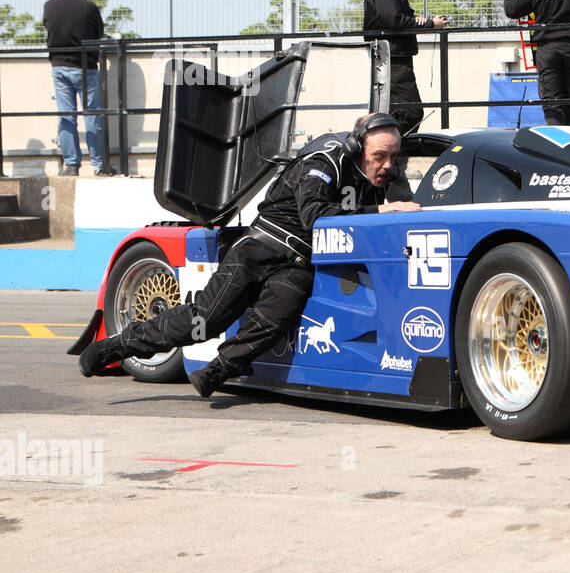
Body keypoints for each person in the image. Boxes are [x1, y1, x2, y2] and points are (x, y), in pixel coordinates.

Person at [76, 114, 422, 396]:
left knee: (277, 315)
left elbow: (406, 208)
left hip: (299, 262)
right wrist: (381, 210)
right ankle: (112, 348)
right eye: (380, 156)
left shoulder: (382, 174)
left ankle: (218, 371)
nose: (388, 165)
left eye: (394, 156)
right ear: (358, 147)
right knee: (206, 321)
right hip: (261, 246)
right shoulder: (324, 161)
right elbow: (315, 217)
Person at [363, 0, 449, 135]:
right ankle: (395, 153)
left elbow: (402, 18)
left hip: (395, 56)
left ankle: (393, 155)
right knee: (411, 112)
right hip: (390, 58)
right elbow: (394, 20)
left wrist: (420, 21)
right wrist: (429, 24)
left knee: (396, 112)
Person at [43, 0, 113, 176]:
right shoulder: (89, 7)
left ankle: (72, 164)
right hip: (86, 67)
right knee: (92, 115)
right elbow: (98, 33)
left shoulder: (49, 5)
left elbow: (50, 27)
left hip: (59, 66)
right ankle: (99, 166)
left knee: (66, 116)